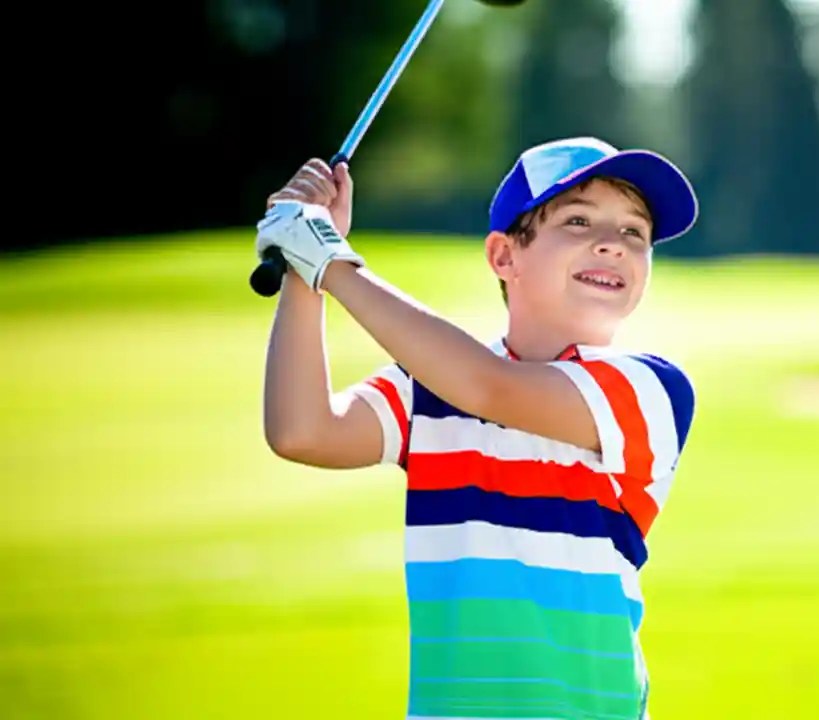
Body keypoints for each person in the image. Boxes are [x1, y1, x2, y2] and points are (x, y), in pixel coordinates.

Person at [256, 136, 698, 719]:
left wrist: (331, 262)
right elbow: (302, 431)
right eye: (578, 220)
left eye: (633, 233)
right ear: (504, 256)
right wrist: (301, 269)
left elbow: (490, 388)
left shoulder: (648, 390)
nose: (612, 245)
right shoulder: (429, 388)